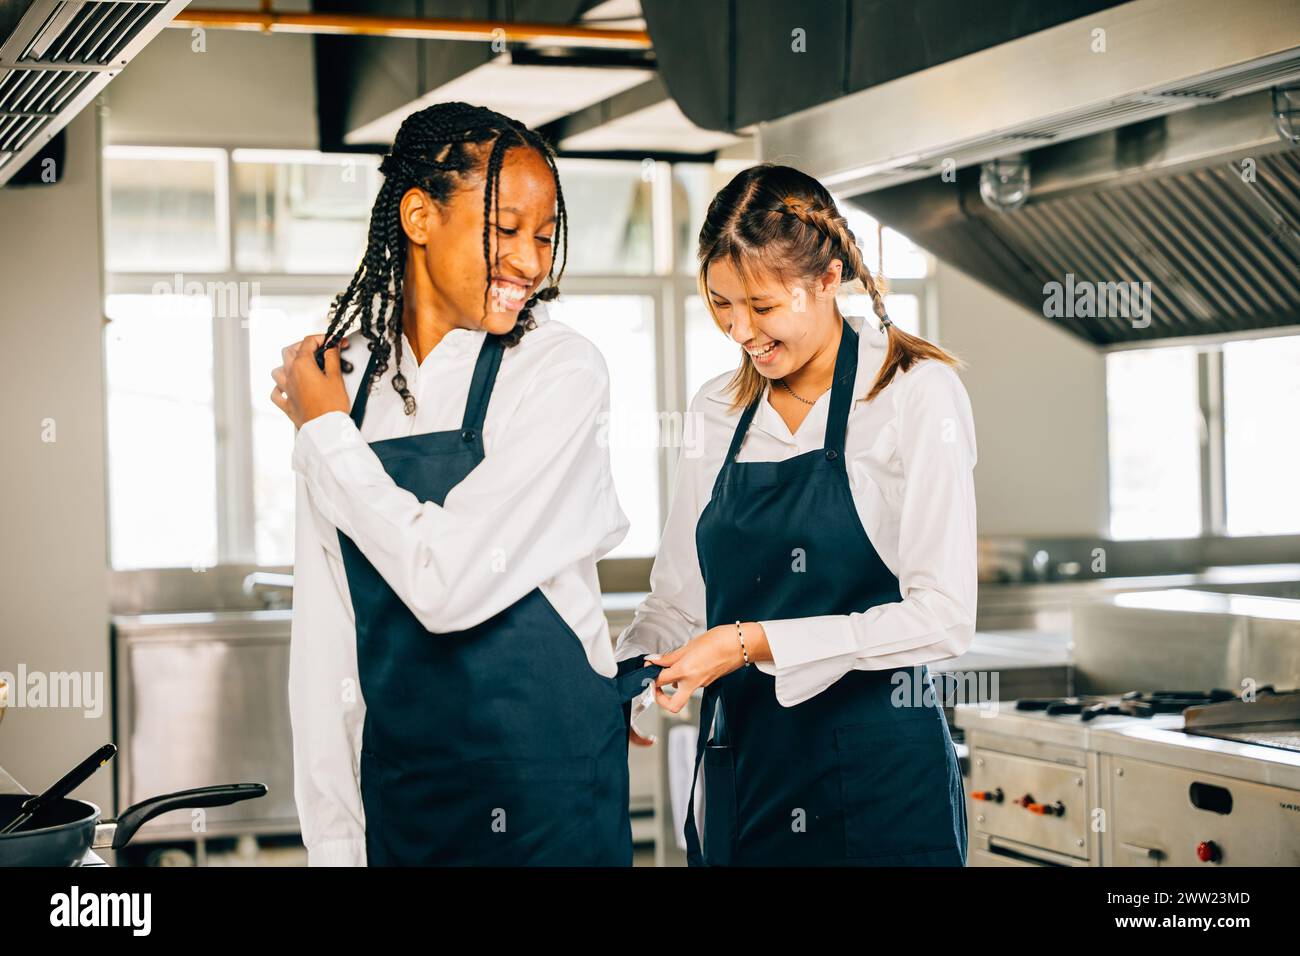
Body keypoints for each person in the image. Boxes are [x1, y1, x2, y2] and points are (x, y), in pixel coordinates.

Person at [272, 102, 638, 866]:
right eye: (506, 230)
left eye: (544, 237)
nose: (534, 263)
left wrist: (328, 436)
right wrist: (334, 848)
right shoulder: (347, 389)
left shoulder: (556, 372)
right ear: (418, 215)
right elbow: (326, 653)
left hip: (552, 804)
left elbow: (447, 584)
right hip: (408, 805)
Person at [616, 163, 976, 866]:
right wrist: (630, 676)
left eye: (762, 306)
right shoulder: (716, 410)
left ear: (826, 279)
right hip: (745, 770)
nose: (739, 329)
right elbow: (680, 598)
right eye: (721, 304)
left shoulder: (914, 394)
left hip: (879, 779)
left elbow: (943, 617)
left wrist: (752, 643)